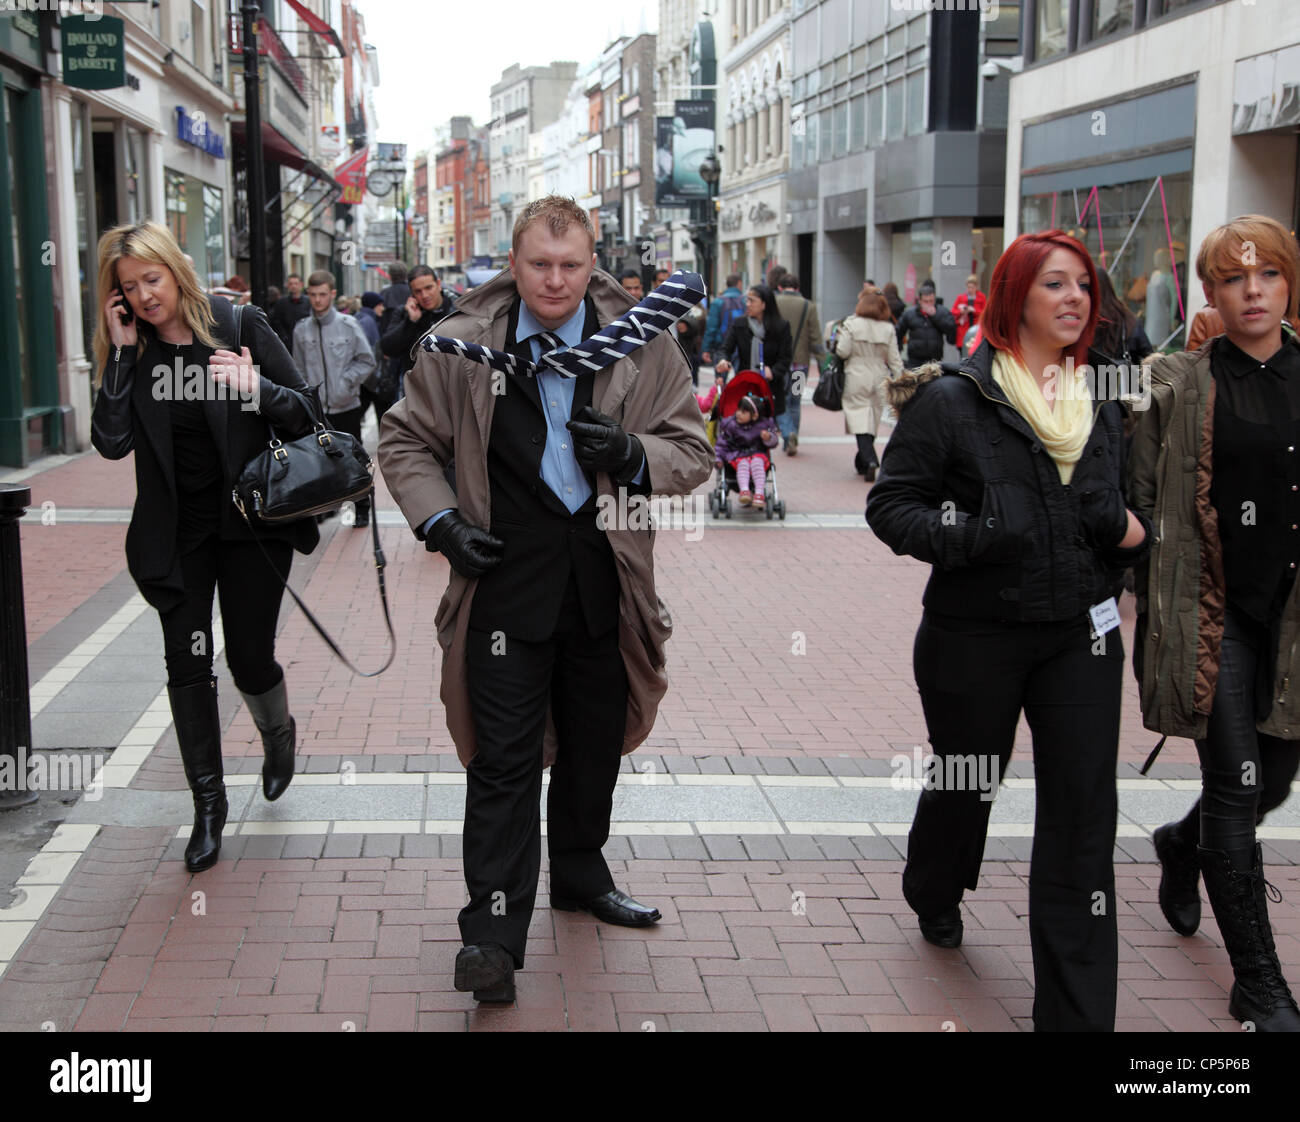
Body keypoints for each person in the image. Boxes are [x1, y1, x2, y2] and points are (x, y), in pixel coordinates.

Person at [377, 195, 713, 1004]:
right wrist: (443, 522)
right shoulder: (460, 347)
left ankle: (581, 872)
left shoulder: (639, 341)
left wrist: (632, 452)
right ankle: (491, 938)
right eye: (539, 264)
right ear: (514, 262)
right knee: (503, 763)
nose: (555, 280)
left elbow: (692, 451)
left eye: (571, 265)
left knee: (596, 742)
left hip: (606, 580)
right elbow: (404, 439)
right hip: (502, 581)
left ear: (591, 261)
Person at [866, 230, 1151, 1032]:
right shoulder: (956, 398)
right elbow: (892, 506)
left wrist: (1132, 531)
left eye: (1085, 287)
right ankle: (934, 884)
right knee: (969, 777)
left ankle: (1075, 1017)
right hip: (974, 632)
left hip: (1082, 633)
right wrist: (972, 533)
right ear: (1015, 296)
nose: (1075, 299)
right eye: (1055, 284)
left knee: (1083, 817)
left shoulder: (1107, 395)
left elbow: (1149, 504)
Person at [90, 222, 321, 873]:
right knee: (188, 666)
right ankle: (209, 807)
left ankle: (277, 736)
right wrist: (121, 354)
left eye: (151, 280)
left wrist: (258, 392)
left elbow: (309, 412)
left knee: (250, 660)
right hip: (178, 541)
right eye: (128, 289)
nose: (143, 296)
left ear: (177, 270)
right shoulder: (131, 352)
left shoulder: (238, 324)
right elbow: (110, 443)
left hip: (252, 531)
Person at [1131, 215, 1300, 1031]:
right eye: (1235, 279)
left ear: (1288, 283)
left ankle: (1177, 844)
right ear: (1212, 294)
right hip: (1212, 615)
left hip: (1291, 625)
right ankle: (1261, 984)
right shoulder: (1175, 383)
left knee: (1272, 782)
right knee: (1236, 789)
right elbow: (1134, 500)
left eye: (1267, 274)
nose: (1254, 290)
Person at [292, 270, 377, 527]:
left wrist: (346, 383)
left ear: (332, 294)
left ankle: (361, 506)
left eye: (322, 295)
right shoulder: (301, 329)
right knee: (321, 461)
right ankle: (327, 507)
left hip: (346, 405)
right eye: (313, 295)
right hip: (317, 409)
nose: (317, 300)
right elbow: (296, 368)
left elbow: (366, 361)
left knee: (352, 459)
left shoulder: (348, 326)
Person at [837, 290, 903, 482]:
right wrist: (900, 381)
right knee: (872, 419)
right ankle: (862, 461)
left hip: (856, 373)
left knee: (858, 418)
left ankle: (871, 459)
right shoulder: (887, 328)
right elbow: (895, 359)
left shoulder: (851, 324)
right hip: (879, 375)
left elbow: (842, 351)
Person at [713, 284, 793, 424]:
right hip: (745, 384)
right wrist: (723, 360)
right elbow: (725, 349)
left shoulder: (781, 327)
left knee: (765, 431)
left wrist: (773, 372)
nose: (748, 304)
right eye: (747, 300)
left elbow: (785, 358)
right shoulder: (740, 324)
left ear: (764, 304)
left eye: (752, 301)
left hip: (770, 388)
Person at [380, 265, 457, 402]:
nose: (425, 295)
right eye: (418, 291)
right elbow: (388, 348)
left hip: (454, 390)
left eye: (429, 288)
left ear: (438, 284)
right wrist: (410, 322)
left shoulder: (457, 308)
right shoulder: (405, 313)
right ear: (412, 294)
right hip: (419, 395)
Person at [774, 273, 824, 455]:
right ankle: (794, 433)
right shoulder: (808, 306)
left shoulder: (775, 302)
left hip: (779, 363)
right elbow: (816, 336)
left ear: (780, 287)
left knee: (781, 400)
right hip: (800, 364)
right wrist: (821, 362)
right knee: (795, 401)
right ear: (797, 287)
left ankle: (787, 434)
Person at [714, 393, 779, 506]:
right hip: (738, 455)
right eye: (738, 410)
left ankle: (759, 493)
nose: (738, 413)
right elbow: (722, 444)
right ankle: (745, 491)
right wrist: (718, 457)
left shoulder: (763, 425)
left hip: (758, 454)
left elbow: (774, 441)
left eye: (743, 412)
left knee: (757, 464)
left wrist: (768, 438)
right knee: (743, 464)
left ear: (754, 416)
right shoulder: (731, 425)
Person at [896, 281, 957, 367]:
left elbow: (951, 332)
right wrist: (898, 351)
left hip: (935, 359)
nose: (929, 304)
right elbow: (898, 332)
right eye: (926, 301)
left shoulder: (942, 312)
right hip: (915, 360)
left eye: (931, 301)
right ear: (920, 301)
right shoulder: (910, 313)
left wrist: (935, 316)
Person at [701, 273, 746, 365]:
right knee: (741, 377)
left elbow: (711, 328)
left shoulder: (718, 302)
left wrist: (706, 348)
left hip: (721, 346)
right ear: (739, 283)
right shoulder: (745, 301)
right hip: (742, 345)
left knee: (720, 377)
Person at [268, 273, 310, 351]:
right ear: (287, 285)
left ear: (301, 285)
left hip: (305, 341)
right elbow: (276, 321)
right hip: (287, 343)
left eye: (296, 283)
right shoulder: (281, 303)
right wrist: (284, 337)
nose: (293, 286)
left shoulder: (308, 302)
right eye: (291, 284)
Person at [951, 274, 986, 352]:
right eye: (968, 287)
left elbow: (985, 313)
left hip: (976, 328)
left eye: (972, 287)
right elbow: (953, 311)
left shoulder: (981, 297)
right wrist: (961, 311)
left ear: (976, 287)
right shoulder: (961, 298)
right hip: (963, 329)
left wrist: (974, 310)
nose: (970, 290)